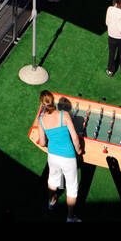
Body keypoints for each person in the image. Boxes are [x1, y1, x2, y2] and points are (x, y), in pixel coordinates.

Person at [34, 90, 83, 222]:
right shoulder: (64, 115)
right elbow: (75, 138)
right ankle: (70, 218)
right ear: (53, 100)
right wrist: (79, 150)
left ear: (42, 104)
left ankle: (52, 201)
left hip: (53, 157)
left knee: (53, 179)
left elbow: (43, 142)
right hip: (68, 157)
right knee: (72, 187)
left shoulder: (41, 120)